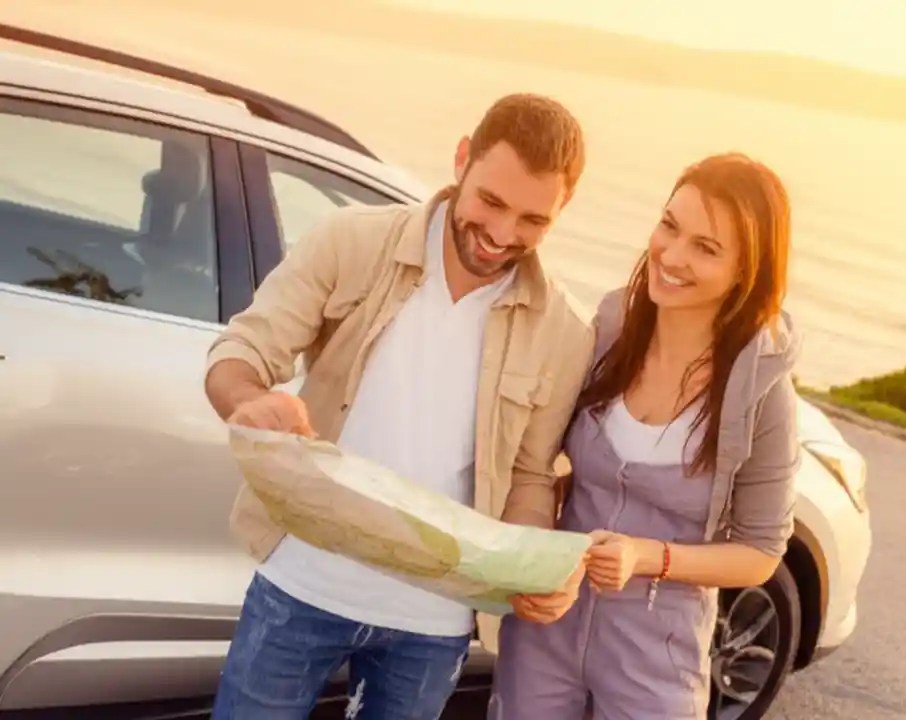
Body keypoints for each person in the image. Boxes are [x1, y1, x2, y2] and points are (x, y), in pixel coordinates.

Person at [203, 93, 596, 719]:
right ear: (463, 158)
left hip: (431, 622)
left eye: (532, 220)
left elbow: (528, 476)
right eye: (491, 202)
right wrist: (248, 400)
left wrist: (530, 571)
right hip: (301, 583)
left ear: (562, 210)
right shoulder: (351, 240)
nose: (501, 235)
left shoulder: (567, 331)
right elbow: (242, 349)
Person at [489, 152, 802, 719]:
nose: (672, 256)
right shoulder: (608, 331)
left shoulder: (762, 392)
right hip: (546, 628)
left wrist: (646, 556)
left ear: (746, 271)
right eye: (670, 225)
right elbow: (535, 459)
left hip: (656, 652)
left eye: (706, 248)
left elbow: (760, 553)